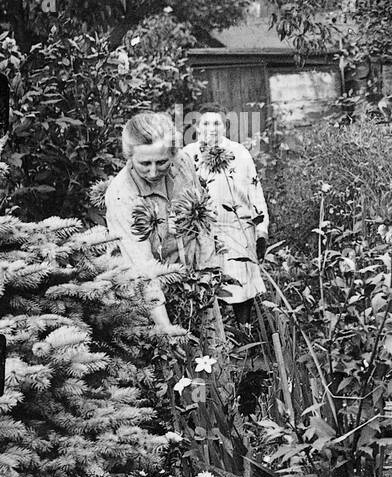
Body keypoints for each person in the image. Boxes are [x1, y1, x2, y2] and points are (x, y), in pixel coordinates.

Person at [104, 111, 202, 338]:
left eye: (162, 162)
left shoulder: (184, 163)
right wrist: (166, 328)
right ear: (129, 157)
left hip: (192, 273)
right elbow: (141, 267)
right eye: (144, 163)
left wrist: (207, 276)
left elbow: (200, 220)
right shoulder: (121, 195)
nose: (153, 171)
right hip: (150, 290)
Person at [180, 104, 269, 323]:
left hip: (236, 226)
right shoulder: (188, 155)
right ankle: (214, 340)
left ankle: (245, 333)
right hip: (203, 229)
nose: (212, 129)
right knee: (206, 283)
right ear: (197, 127)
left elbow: (254, 190)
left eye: (216, 123)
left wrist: (261, 229)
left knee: (241, 283)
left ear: (225, 126)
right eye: (206, 123)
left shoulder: (239, 153)